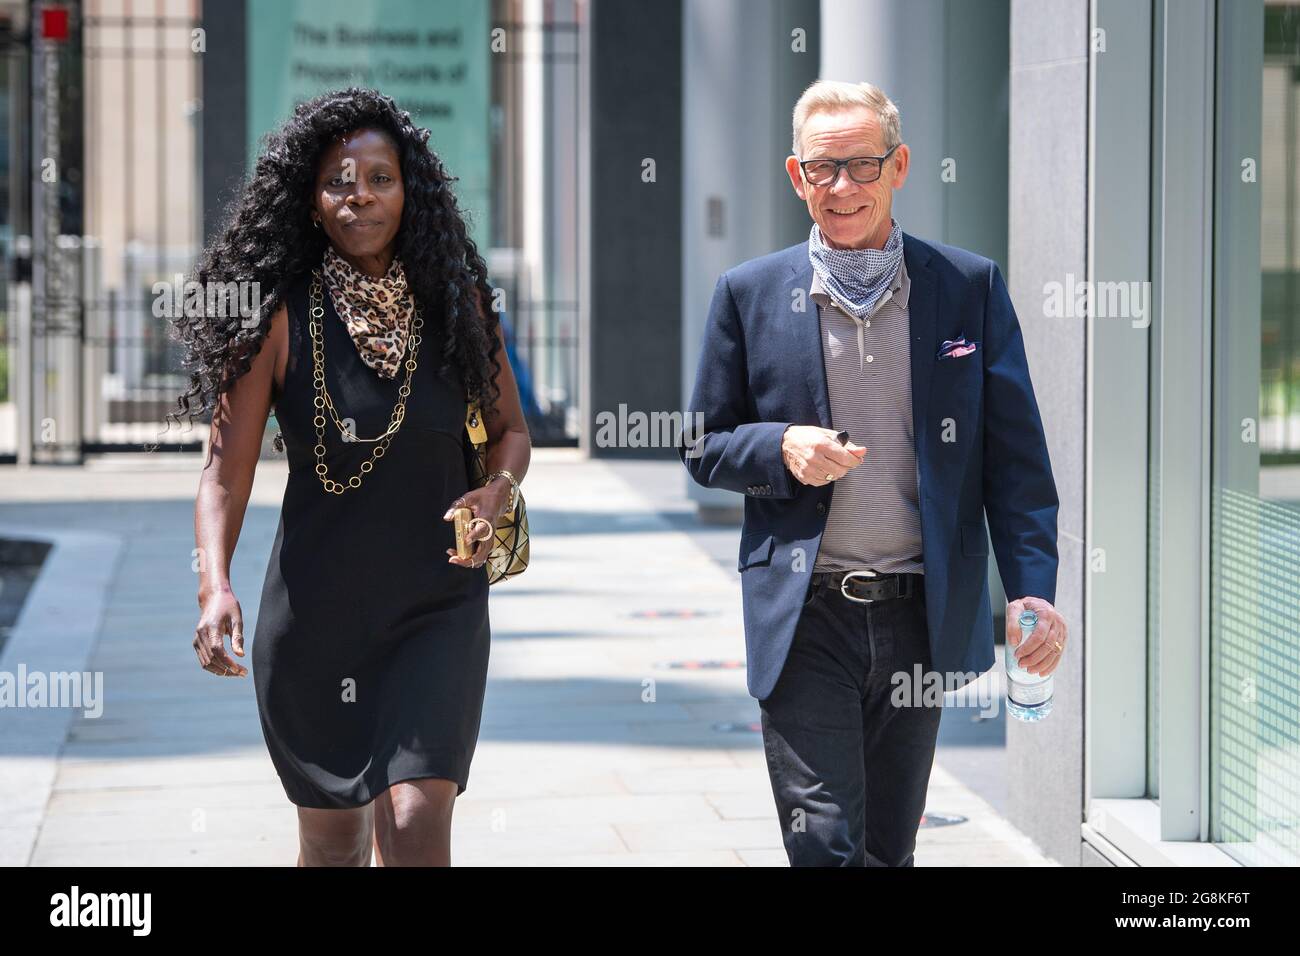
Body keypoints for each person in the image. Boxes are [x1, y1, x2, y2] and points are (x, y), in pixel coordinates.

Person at [678, 79, 1066, 866]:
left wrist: (1033, 589)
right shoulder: (748, 294)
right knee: (823, 842)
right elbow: (702, 443)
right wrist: (779, 445)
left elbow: (1015, 462)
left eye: (863, 166)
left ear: (901, 167)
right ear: (797, 176)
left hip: (916, 617)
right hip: (804, 614)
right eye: (824, 170)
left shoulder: (967, 288)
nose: (843, 187)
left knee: (888, 848)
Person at [168, 88, 531, 866]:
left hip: (439, 604)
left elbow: (511, 434)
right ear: (309, 197)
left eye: (380, 178)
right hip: (317, 617)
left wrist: (496, 493)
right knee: (333, 847)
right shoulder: (277, 319)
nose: (359, 195)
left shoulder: (459, 302)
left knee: (412, 819)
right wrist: (214, 585)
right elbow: (222, 476)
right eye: (339, 180)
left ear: (411, 191)